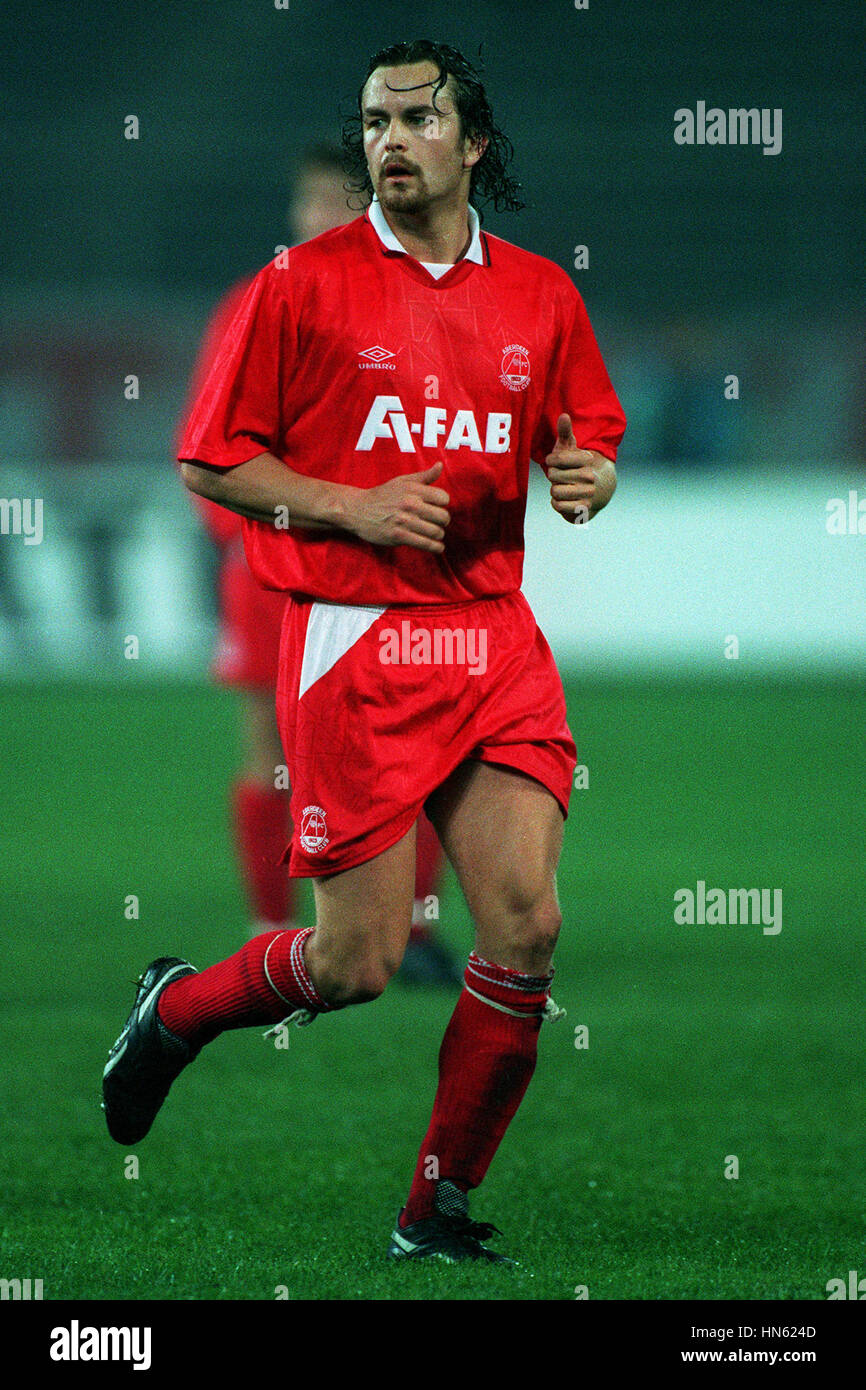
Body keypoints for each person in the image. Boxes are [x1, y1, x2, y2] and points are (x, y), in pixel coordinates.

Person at [104, 38, 626, 1265]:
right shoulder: (301, 284)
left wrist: (589, 471)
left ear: (471, 143)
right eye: (372, 123)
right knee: (354, 965)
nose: (388, 139)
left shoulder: (542, 294)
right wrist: (350, 504)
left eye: (414, 118)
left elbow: (585, 429)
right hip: (358, 643)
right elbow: (208, 457)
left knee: (526, 926)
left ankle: (431, 1210)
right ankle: (174, 1010)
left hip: (491, 637)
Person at [182, 143, 456, 983]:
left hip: (404, 577)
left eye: (334, 200)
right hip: (280, 572)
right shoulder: (255, 302)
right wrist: (271, 533)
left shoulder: (429, 301)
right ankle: (270, 929)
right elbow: (207, 448)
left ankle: (408, 930)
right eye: (305, 200)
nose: (313, 217)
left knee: (419, 753)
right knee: (270, 749)